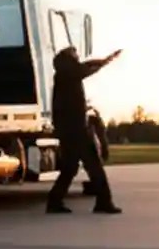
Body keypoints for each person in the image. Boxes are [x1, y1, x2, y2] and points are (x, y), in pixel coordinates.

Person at [46, 46, 123, 214]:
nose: (78, 55)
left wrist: (103, 61)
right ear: (69, 56)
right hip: (76, 129)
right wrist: (104, 62)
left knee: (70, 168)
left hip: (68, 129)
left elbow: (85, 67)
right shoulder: (69, 71)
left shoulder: (64, 72)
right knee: (94, 165)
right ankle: (103, 201)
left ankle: (54, 201)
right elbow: (85, 69)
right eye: (75, 53)